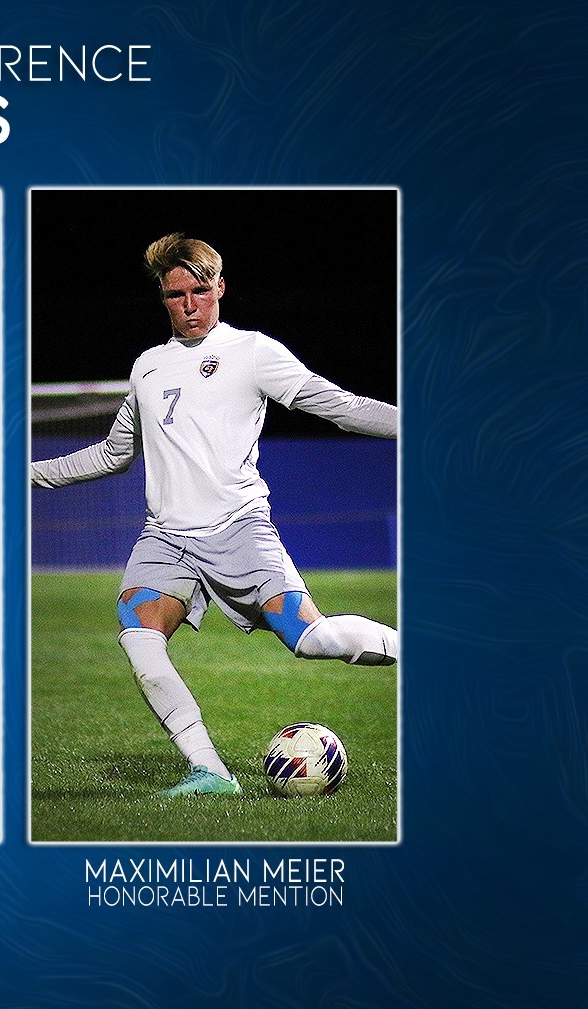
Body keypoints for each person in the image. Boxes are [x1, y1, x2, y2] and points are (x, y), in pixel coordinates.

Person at [31, 233, 398, 797]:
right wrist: (28, 473)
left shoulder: (253, 352)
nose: (190, 305)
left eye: (201, 291)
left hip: (238, 527)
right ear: (163, 297)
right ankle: (209, 772)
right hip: (165, 537)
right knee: (140, 641)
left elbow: (340, 407)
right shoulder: (148, 367)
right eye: (177, 295)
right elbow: (112, 454)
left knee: (310, 639)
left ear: (220, 288)